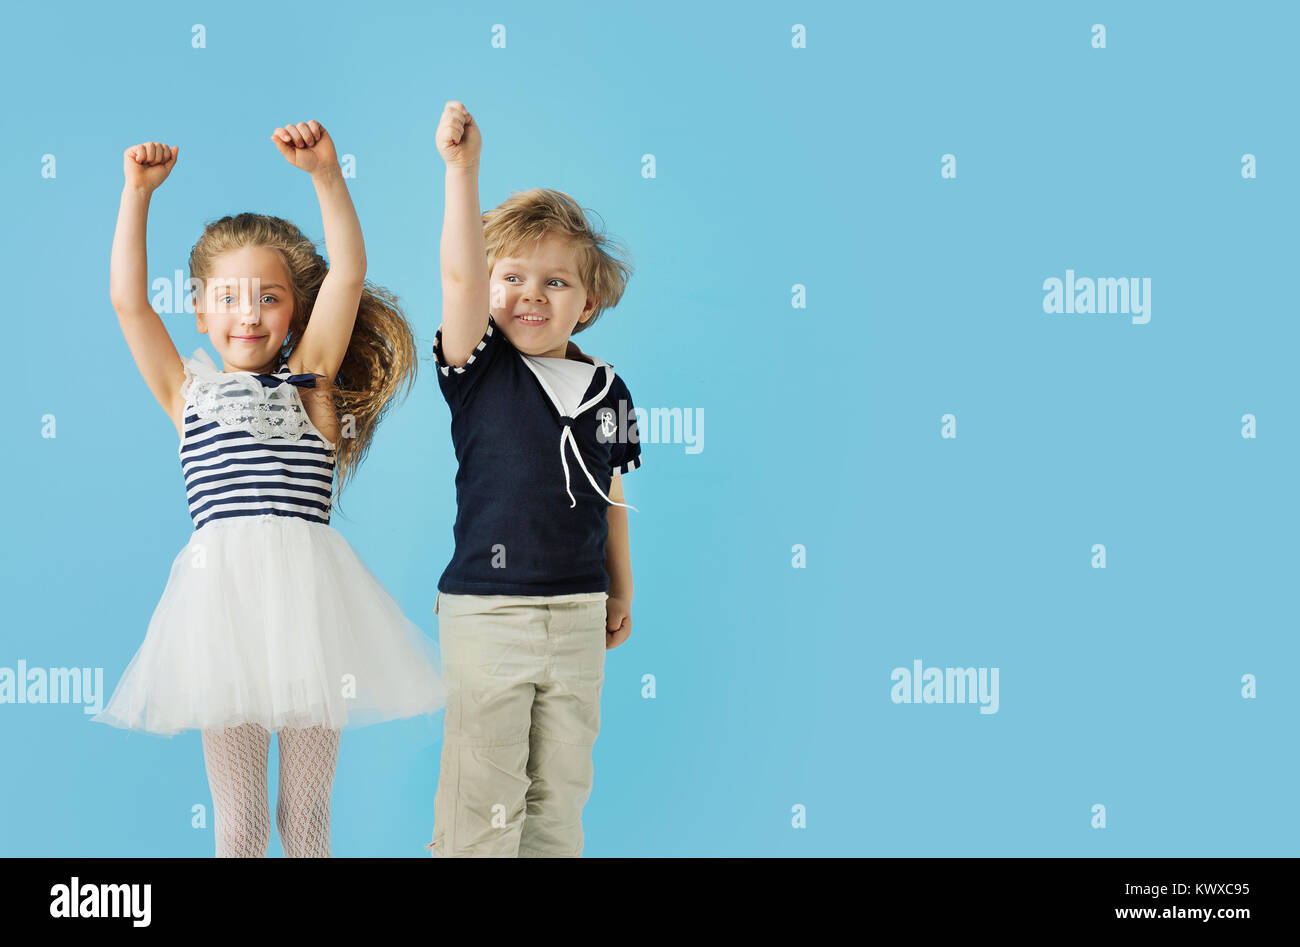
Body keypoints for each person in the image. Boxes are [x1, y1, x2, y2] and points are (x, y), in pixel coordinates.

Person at [92, 122, 447, 858]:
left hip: (313, 613)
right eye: (227, 297)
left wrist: (326, 174)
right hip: (220, 618)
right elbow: (130, 305)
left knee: (307, 819)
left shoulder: (312, 382)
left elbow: (347, 272)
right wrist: (136, 196)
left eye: (269, 298)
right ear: (201, 311)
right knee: (241, 824)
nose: (248, 313)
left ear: (295, 312)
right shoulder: (186, 392)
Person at [427, 101, 642, 857]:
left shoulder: (609, 387)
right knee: (483, 801)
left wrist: (621, 585)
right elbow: (458, 273)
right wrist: (462, 170)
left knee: (559, 800)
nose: (530, 294)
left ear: (587, 303)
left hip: (580, 611)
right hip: (491, 616)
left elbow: (611, 491)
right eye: (511, 276)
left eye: (556, 283)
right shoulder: (479, 370)